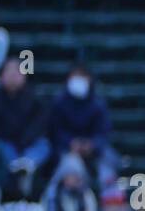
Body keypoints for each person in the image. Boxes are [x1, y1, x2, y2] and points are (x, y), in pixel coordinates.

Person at [48, 63, 117, 196]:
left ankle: (111, 205)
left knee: (109, 161)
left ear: (90, 79)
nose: (78, 80)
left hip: (94, 150)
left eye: (82, 76)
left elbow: (104, 132)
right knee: (70, 164)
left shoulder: (98, 104)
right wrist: (71, 143)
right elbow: (54, 131)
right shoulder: (58, 103)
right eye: (75, 76)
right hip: (65, 150)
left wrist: (92, 145)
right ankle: (58, 201)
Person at [0, 58, 51, 181]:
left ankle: (26, 164)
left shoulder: (35, 98)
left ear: (24, 76)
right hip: (0, 143)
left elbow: (40, 124)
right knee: (0, 147)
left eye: (17, 71)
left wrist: (26, 140)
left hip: (27, 143)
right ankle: (17, 167)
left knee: (44, 145)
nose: (13, 75)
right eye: (9, 71)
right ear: (1, 75)